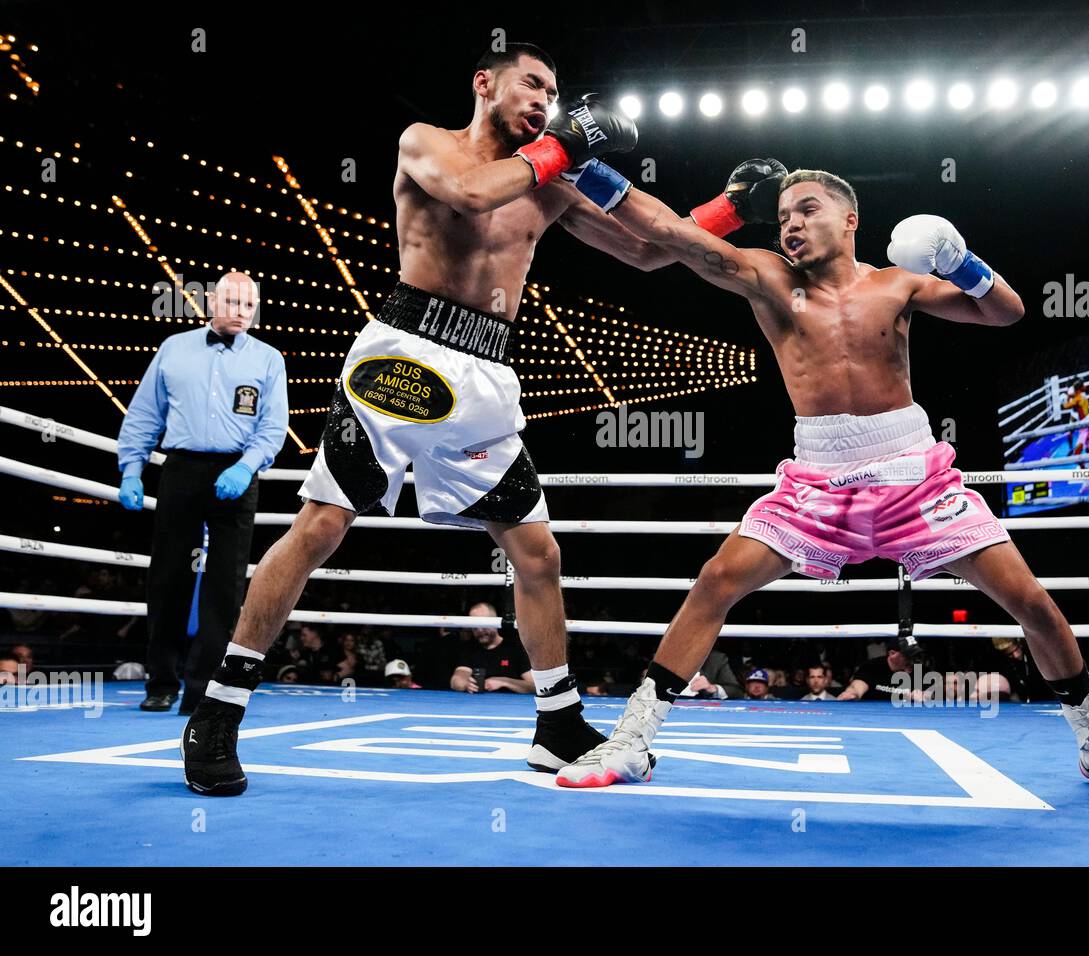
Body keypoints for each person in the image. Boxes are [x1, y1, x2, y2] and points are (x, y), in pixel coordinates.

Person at [181, 43, 699, 795]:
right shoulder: (427, 142)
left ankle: (556, 723)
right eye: (532, 84)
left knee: (537, 552)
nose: (543, 100)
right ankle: (219, 711)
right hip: (403, 355)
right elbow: (470, 194)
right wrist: (563, 144)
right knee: (322, 526)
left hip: (487, 371)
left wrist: (728, 210)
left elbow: (651, 252)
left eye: (553, 93)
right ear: (484, 83)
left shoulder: (551, 177)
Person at [558, 165, 1089, 793]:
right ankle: (631, 741)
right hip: (818, 482)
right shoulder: (767, 278)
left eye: (807, 209)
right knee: (716, 581)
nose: (791, 223)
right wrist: (586, 167)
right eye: (785, 215)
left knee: (1032, 603)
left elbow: (1004, 313)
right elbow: (669, 231)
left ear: (850, 219)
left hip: (916, 478)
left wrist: (961, 262)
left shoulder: (897, 285)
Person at [117, 271, 287, 715]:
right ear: (212, 302)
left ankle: (202, 688)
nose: (240, 313)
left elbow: (272, 428)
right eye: (232, 303)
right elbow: (144, 414)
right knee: (168, 575)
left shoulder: (269, 359)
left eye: (249, 306)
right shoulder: (175, 348)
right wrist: (131, 469)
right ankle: (161, 681)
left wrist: (246, 466)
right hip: (181, 468)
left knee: (226, 586)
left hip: (238, 470)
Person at [450, 602, 534, 694]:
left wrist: (504, 682)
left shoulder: (515, 648)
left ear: (494, 622)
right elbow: (457, 678)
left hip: (512, 706)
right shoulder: (470, 648)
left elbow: (534, 686)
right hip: (476, 705)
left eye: (483, 625)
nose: (480, 630)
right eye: (475, 626)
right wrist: (466, 683)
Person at [1061, 379, 1089, 457]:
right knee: (1070, 433)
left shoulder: (1080, 395)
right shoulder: (1078, 393)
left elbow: (1066, 405)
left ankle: (1087, 449)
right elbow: (1073, 398)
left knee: (1086, 435)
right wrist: (1068, 397)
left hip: (1082, 417)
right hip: (1076, 415)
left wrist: (1063, 400)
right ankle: (1071, 448)